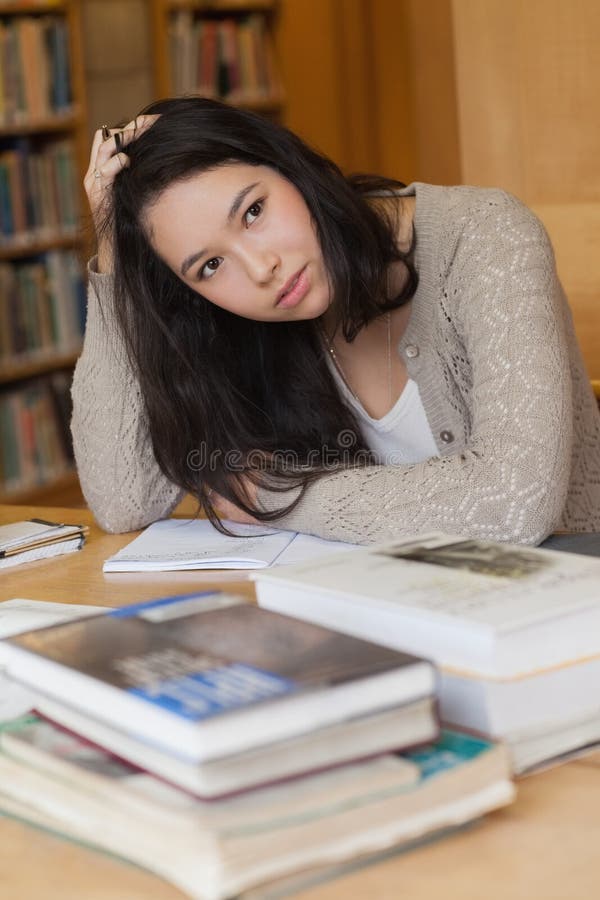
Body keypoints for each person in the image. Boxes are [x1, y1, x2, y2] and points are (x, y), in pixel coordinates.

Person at [72, 96, 600, 544]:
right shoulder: (230, 320)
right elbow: (125, 499)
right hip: (389, 615)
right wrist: (116, 266)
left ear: (286, 164)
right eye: (210, 265)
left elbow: (515, 501)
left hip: (564, 612)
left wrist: (278, 494)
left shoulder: (484, 236)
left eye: (253, 211)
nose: (261, 270)